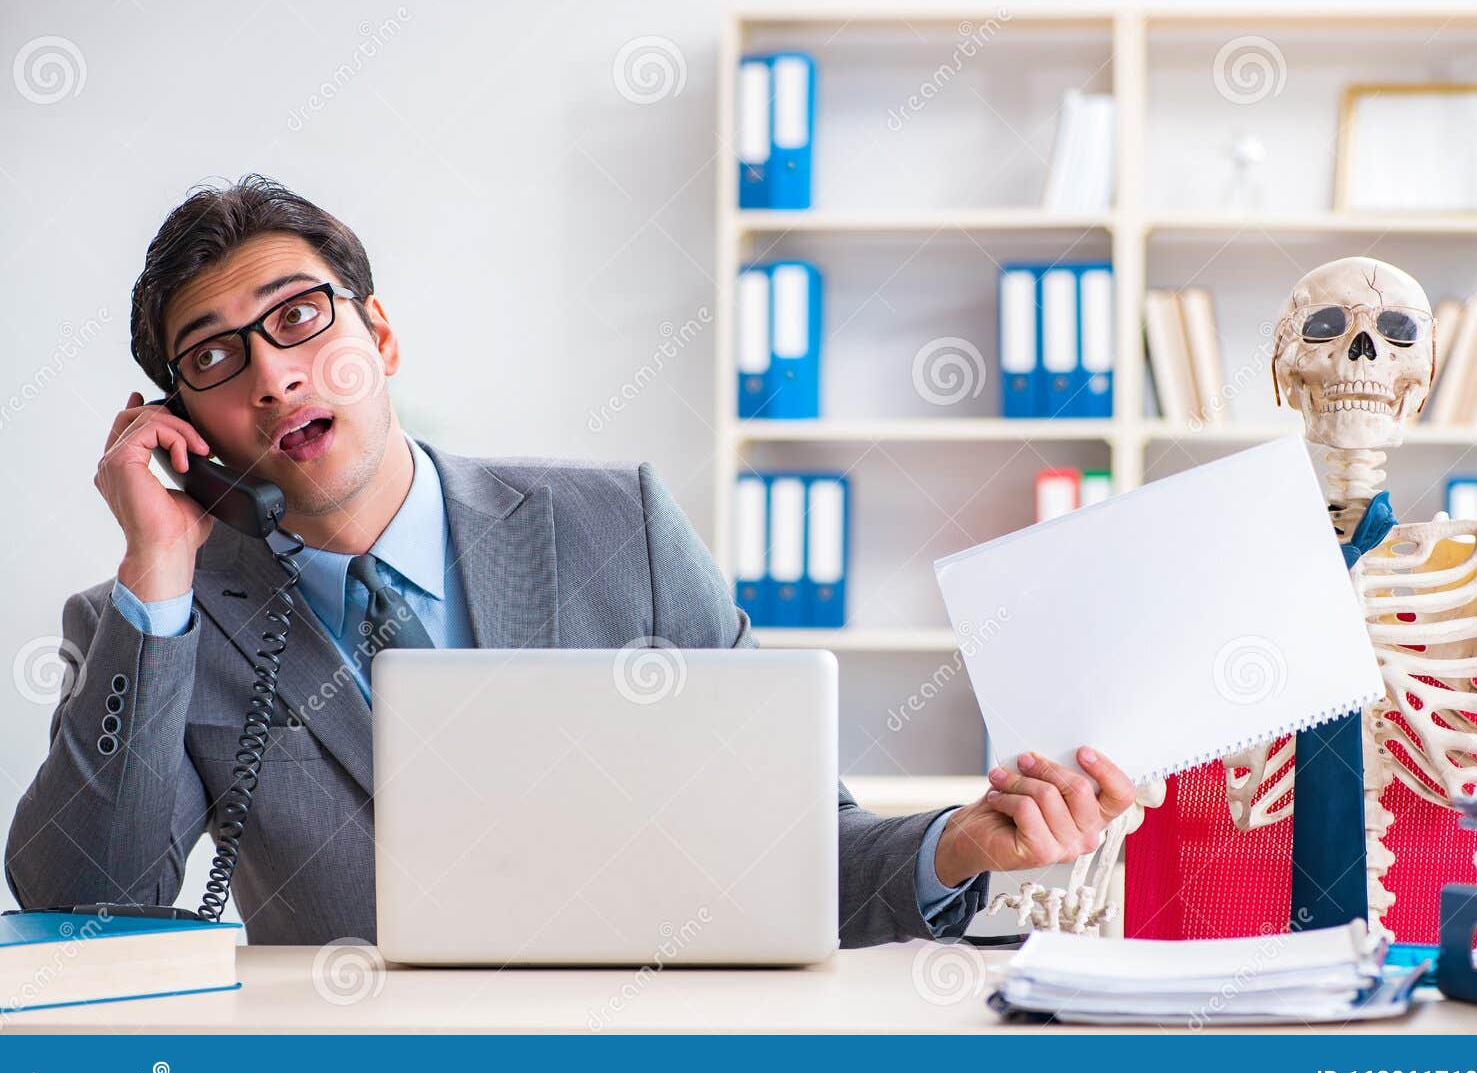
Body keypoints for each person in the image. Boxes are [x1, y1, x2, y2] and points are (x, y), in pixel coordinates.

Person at [5, 176, 1136, 946]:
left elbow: (803, 849)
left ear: (379, 337)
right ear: (181, 419)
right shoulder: (148, 623)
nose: (273, 376)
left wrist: (957, 842)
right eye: (216, 356)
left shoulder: (619, 530)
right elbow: (83, 912)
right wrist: (157, 578)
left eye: (299, 317)